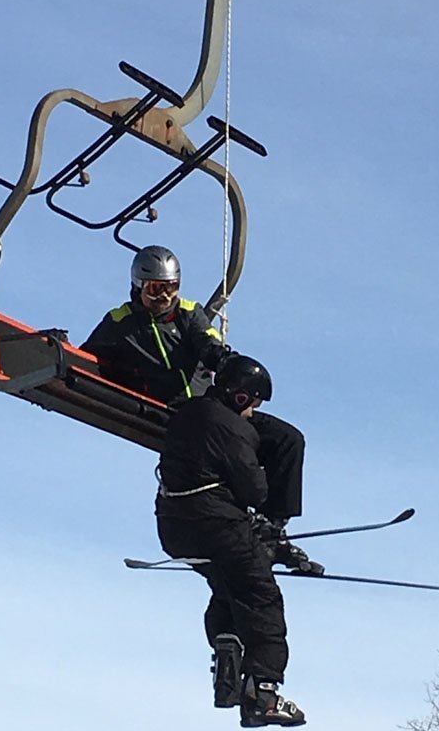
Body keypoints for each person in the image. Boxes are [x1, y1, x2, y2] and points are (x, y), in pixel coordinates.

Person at [83, 245, 323, 573]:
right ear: (139, 286)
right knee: (233, 448)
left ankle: (274, 526)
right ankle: (238, 521)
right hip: (174, 413)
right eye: (156, 289)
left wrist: (222, 360)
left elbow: (207, 341)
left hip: (208, 404)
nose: (164, 297)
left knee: (287, 440)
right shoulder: (120, 322)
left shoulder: (188, 312)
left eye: (171, 288)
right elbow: (85, 361)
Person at [155, 354, 305, 727]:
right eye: (253, 403)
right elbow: (253, 491)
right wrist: (263, 518)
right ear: (240, 397)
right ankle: (263, 694)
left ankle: (227, 644)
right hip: (219, 527)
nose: (254, 413)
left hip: (174, 530)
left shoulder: (188, 412)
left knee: (229, 586)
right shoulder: (232, 428)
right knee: (261, 598)